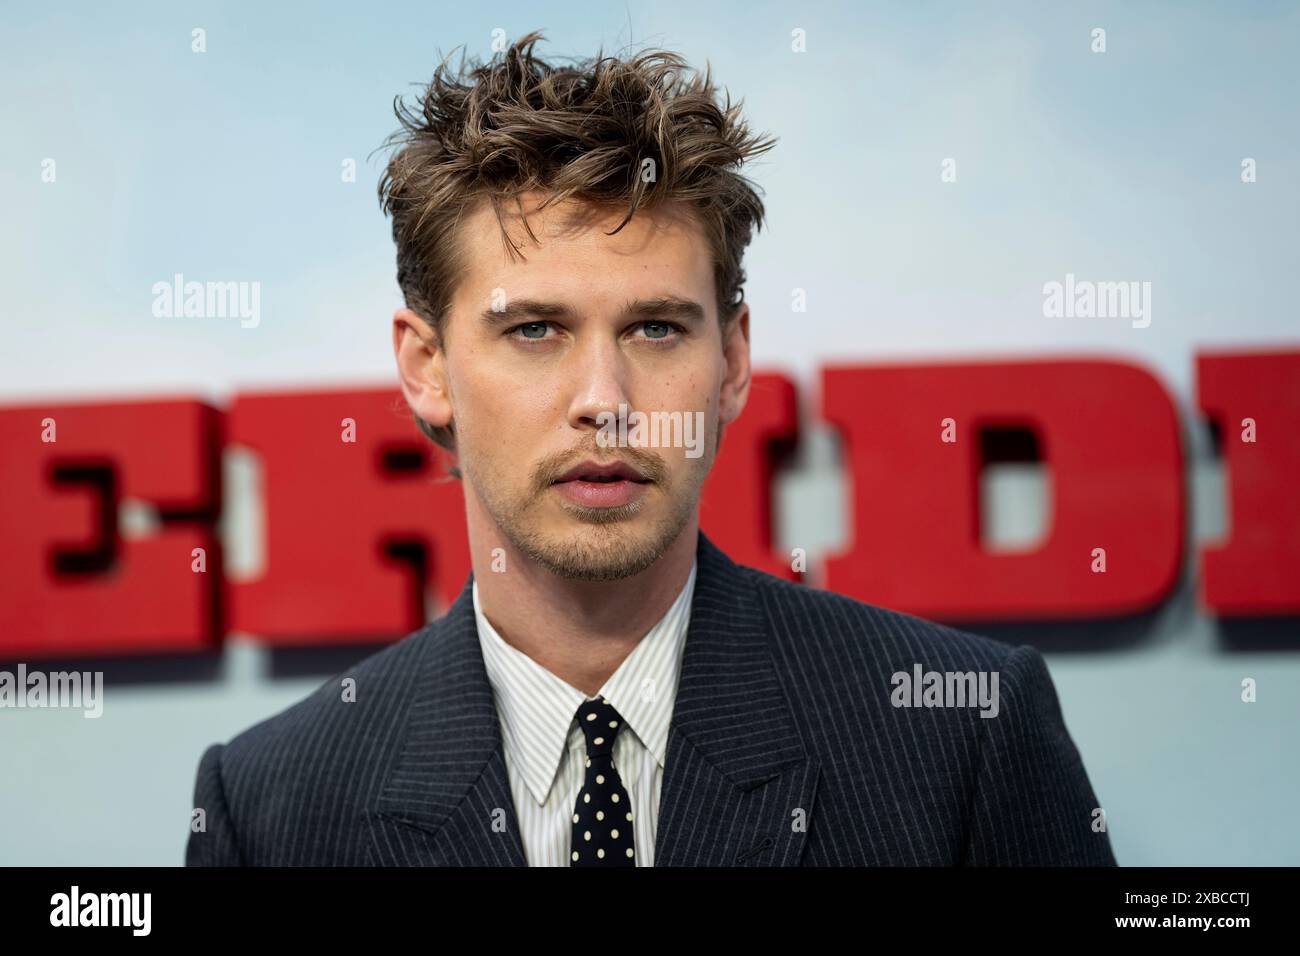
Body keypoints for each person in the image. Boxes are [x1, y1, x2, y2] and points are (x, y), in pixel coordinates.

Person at [186, 30, 1116, 867]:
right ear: (427, 367)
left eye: (658, 330)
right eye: (536, 330)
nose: (606, 404)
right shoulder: (270, 811)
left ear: (734, 360)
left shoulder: (962, 735)